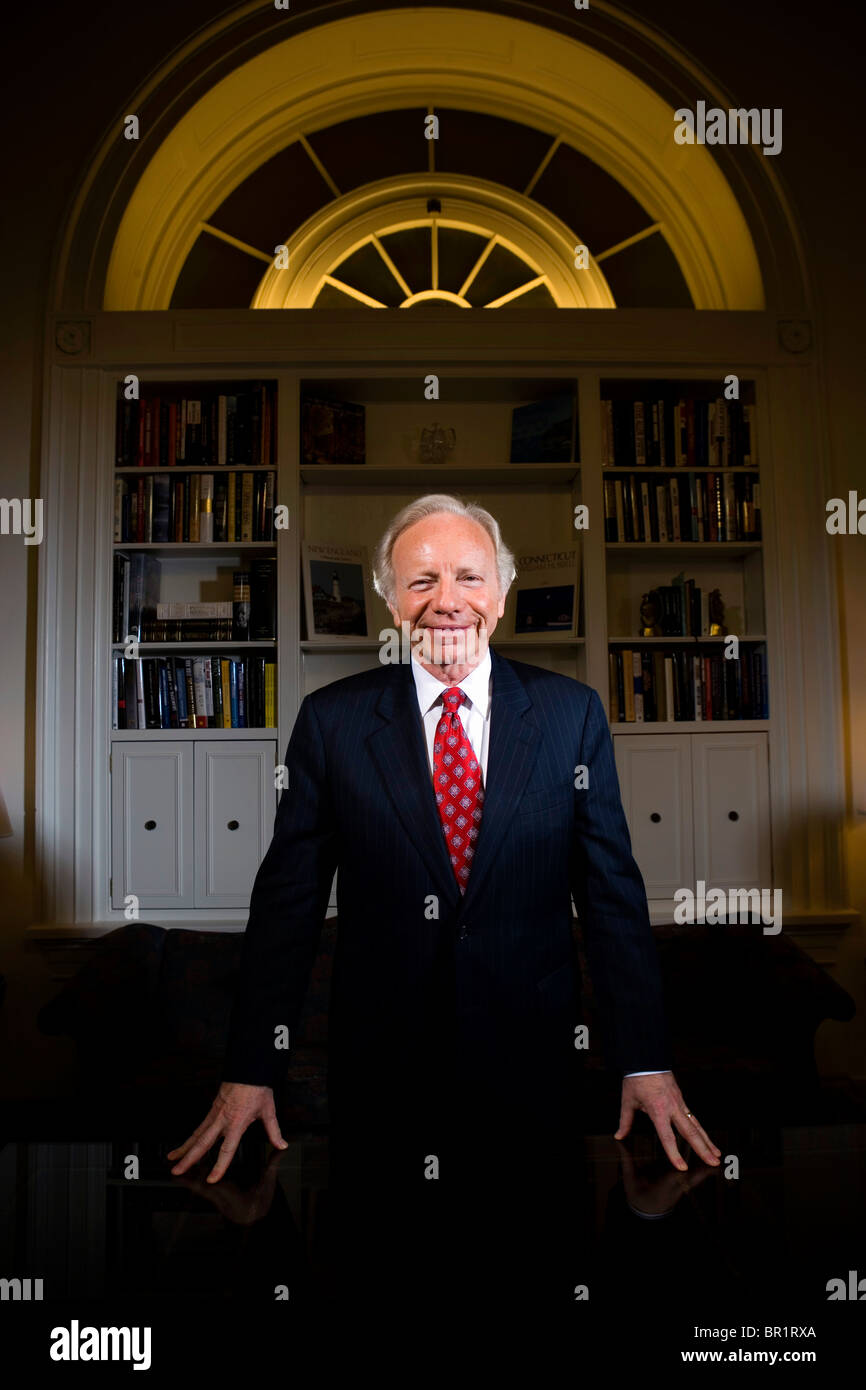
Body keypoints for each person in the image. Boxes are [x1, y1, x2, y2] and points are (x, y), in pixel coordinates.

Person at [168, 494, 720, 1202]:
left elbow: (611, 899)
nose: (447, 601)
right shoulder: (333, 724)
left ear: (502, 590)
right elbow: (289, 908)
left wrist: (643, 1061)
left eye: (469, 576)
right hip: (383, 1075)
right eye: (422, 581)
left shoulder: (571, 716)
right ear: (390, 600)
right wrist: (251, 1066)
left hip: (536, 1072)